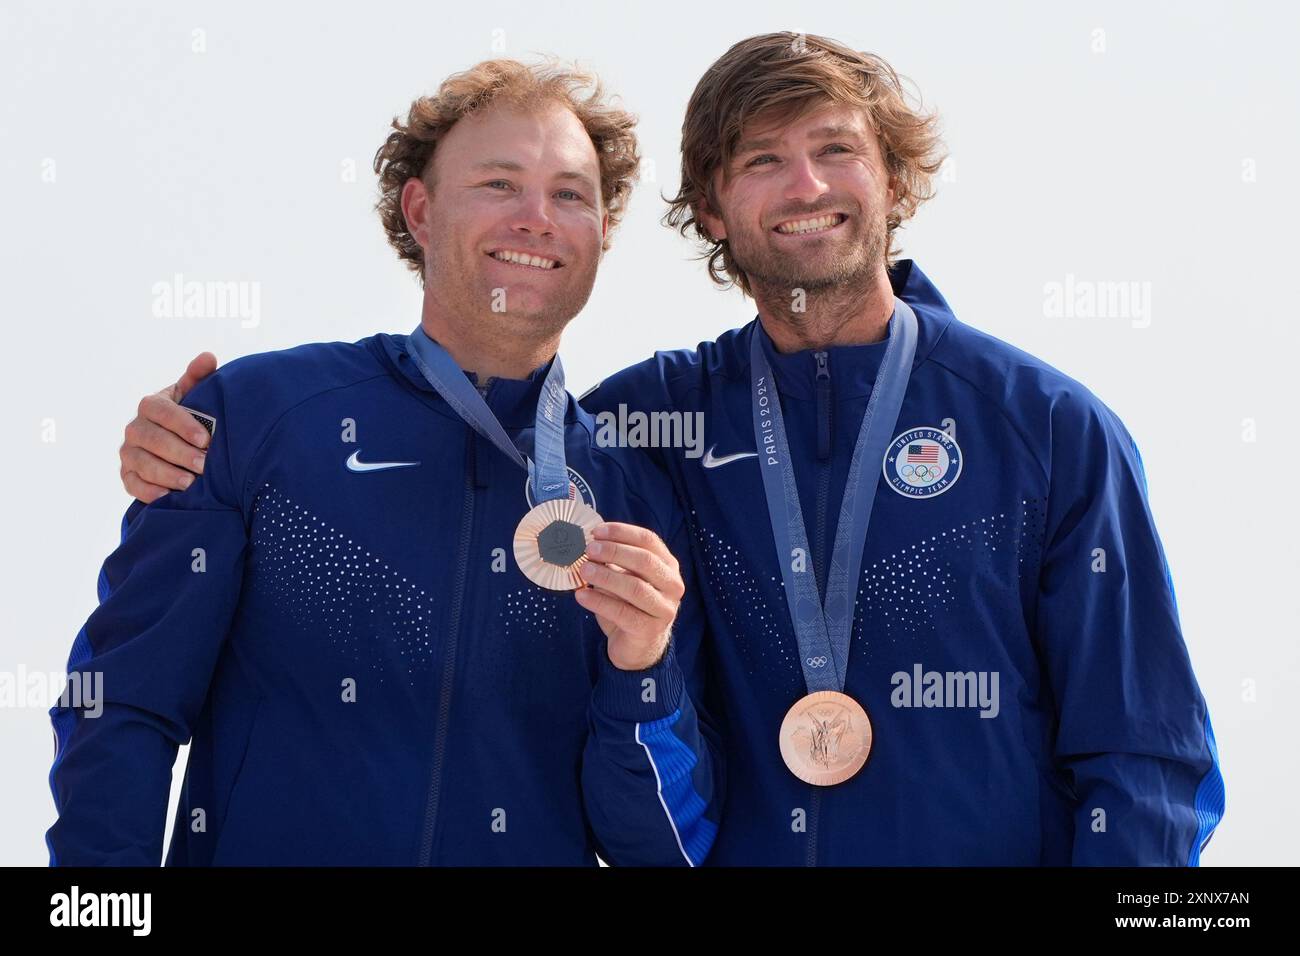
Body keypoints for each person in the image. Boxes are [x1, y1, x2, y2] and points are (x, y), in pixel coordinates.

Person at [114, 33, 1225, 865]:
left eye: (835, 151)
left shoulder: (1045, 427)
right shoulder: (640, 432)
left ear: (892, 179)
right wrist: (193, 441)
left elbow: (1147, 762)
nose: (804, 188)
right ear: (707, 208)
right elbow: (484, 453)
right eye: (759, 161)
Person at [47, 58, 721, 866]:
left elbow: (660, 849)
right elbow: (120, 704)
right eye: (500, 184)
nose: (538, 218)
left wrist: (640, 671)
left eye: (571, 194)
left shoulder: (635, 494)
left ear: (601, 233)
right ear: (421, 210)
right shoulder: (257, 415)